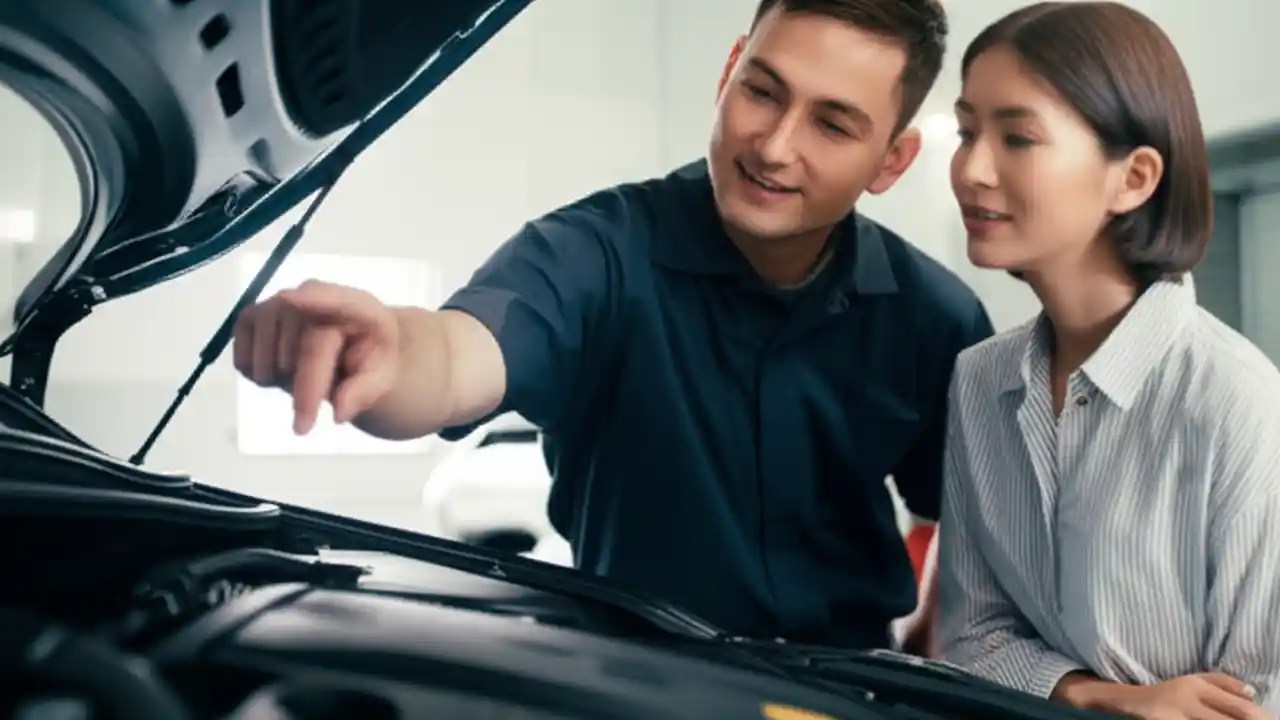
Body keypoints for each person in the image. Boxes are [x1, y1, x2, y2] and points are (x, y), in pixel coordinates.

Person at [233, 0, 993, 651]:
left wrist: (927, 651)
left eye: (832, 125)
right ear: (730, 69)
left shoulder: (937, 319)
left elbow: (963, 523)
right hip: (631, 686)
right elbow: (459, 357)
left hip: (846, 694)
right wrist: (393, 351)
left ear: (890, 161)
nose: (774, 146)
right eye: (763, 92)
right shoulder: (595, 253)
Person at [935, 2, 1280, 718]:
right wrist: (1104, 697)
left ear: (1134, 178)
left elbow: (1255, 699)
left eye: (1017, 138)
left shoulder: (1237, 400)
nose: (970, 168)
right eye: (967, 132)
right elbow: (969, 640)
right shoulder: (980, 380)